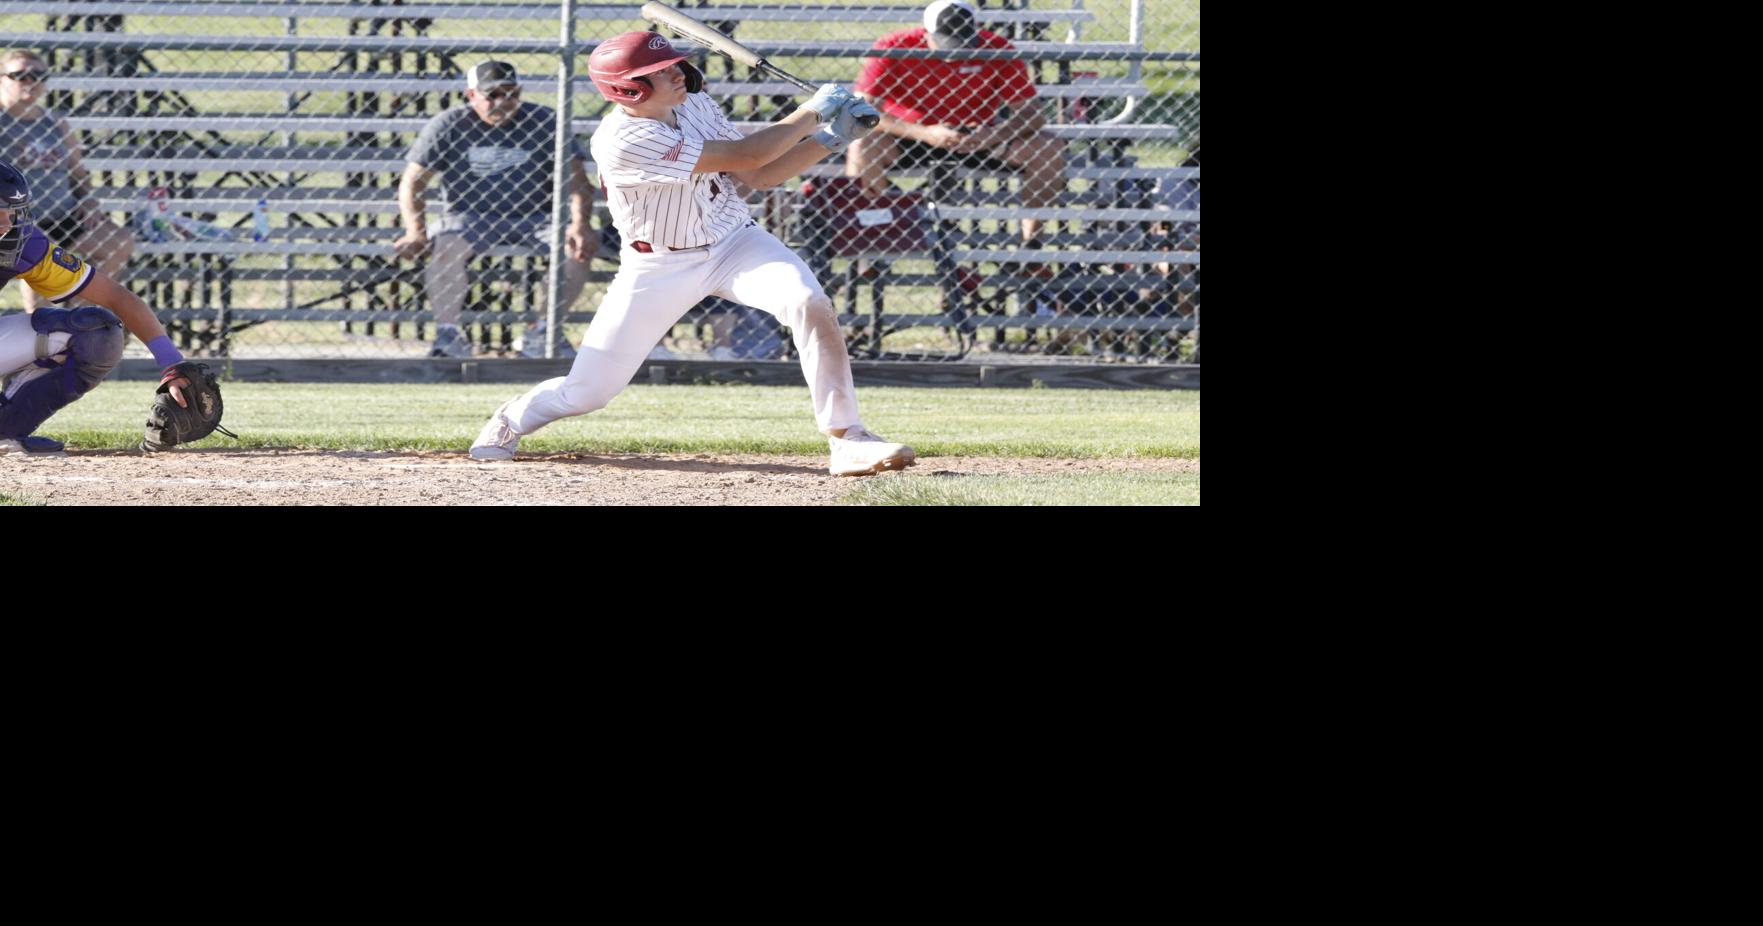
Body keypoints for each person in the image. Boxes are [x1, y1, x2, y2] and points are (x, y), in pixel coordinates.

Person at [468, 31, 915, 477]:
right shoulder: (624, 139)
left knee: (809, 302)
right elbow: (746, 153)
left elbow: (759, 174)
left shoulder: (695, 103)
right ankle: (511, 419)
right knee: (587, 393)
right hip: (658, 265)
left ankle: (848, 437)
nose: (677, 73)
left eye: (675, 65)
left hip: (734, 240)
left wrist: (832, 139)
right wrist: (812, 112)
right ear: (629, 88)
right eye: (659, 72)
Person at [393, 60, 593, 359]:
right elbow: (413, 182)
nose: (503, 102)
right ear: (471, 95)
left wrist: (580, 225)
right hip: (468, 216)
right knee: (446, 248)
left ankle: (542, 333)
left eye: (511, 93)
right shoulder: (449, 124)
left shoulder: (544, 120)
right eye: (493, 94)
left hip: (537, 216)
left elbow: (578, 182)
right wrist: (415, 230)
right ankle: (449, 336)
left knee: (575, 250)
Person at [0, 157, 200, 455]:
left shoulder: (25, 246)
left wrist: (171, 364)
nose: (6, 225)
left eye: (11, 214)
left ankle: (7, 431)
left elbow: (117, 297)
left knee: (96, 333)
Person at [846, 1, 1067, 251]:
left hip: (976, 138)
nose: (955, 51)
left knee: (1048, 146)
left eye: (964, 40)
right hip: (909, 136)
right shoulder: (894, 46)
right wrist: (925, 133)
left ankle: (1031, 244)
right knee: (863, 143)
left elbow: (1032, 115)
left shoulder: (996, 48)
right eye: (945, 41)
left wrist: (992, 135)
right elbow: (858, 111)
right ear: (926, 33)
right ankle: (871, 238)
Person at [0, 48, 136, 313]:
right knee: (32, 253)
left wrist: (88, 200)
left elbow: (77, 170)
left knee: (119, 242)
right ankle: (39, 333)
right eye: (20, 75)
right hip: (16, 221)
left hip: (62, 214)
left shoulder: (55, 123)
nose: (31, 81)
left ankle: (77, 319)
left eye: (38, 75)